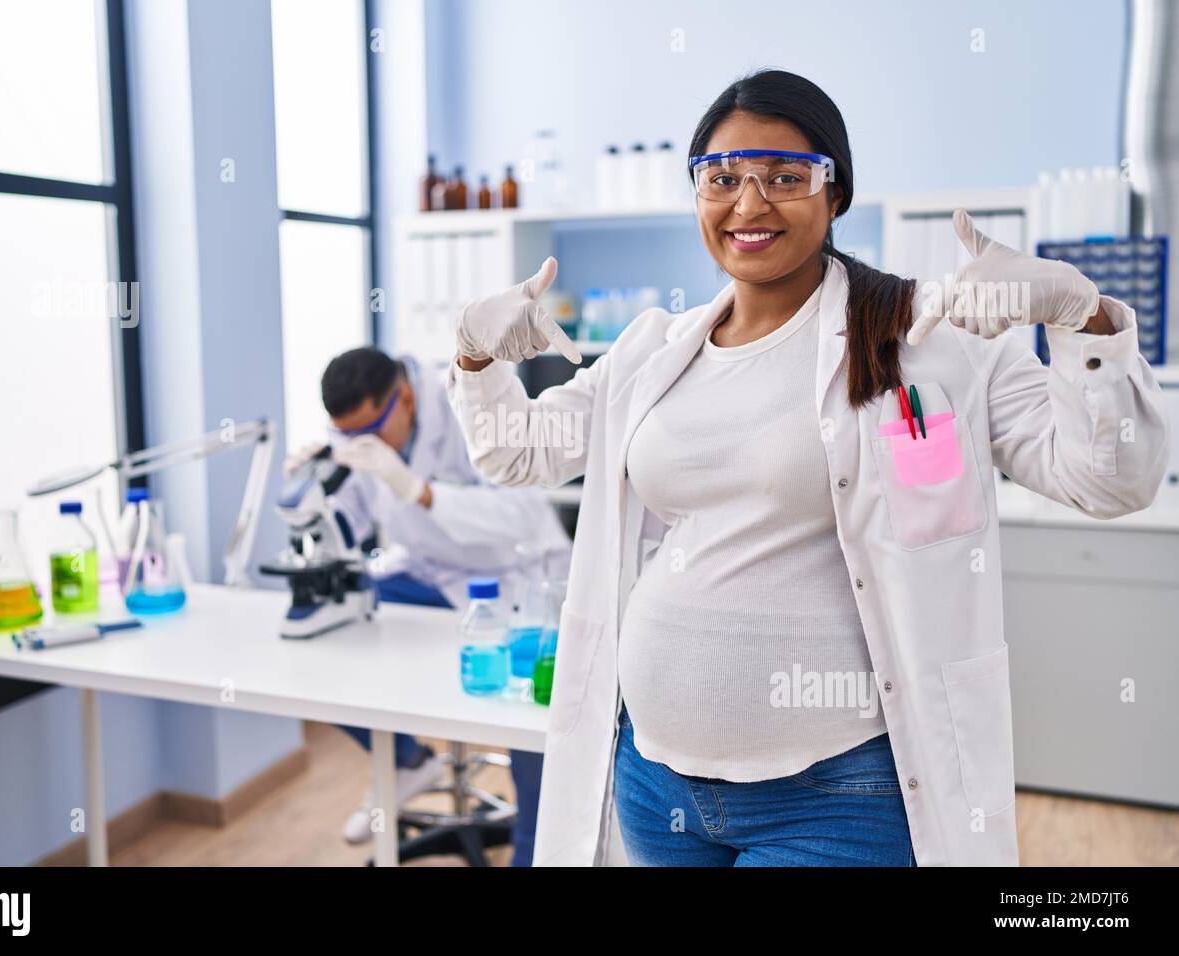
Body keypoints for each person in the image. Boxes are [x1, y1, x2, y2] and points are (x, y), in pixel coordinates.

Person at [444, 69, 1169, 866]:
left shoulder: (926, 340)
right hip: (654, 780)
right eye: (721, 179)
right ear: (696, 195)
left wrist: (1086, 321)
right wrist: (475, 356)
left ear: (835, 194)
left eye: (787, 178)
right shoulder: (652, 350)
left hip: (839, 796)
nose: (749, 205)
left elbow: (1110, 479)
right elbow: (518, 451)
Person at [285, 346, 571, 865]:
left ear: (407, 398)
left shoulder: (471, 406)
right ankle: (407, 760)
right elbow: (347, 523)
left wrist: (418, 490)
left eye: (364, 433)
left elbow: (521, 515)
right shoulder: (362, 430)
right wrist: (311, 503)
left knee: (532, 739)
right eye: (344, 436)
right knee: (329, 626)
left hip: (514, 574)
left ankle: (532, 855)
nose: (357, 444)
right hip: (427, 572)